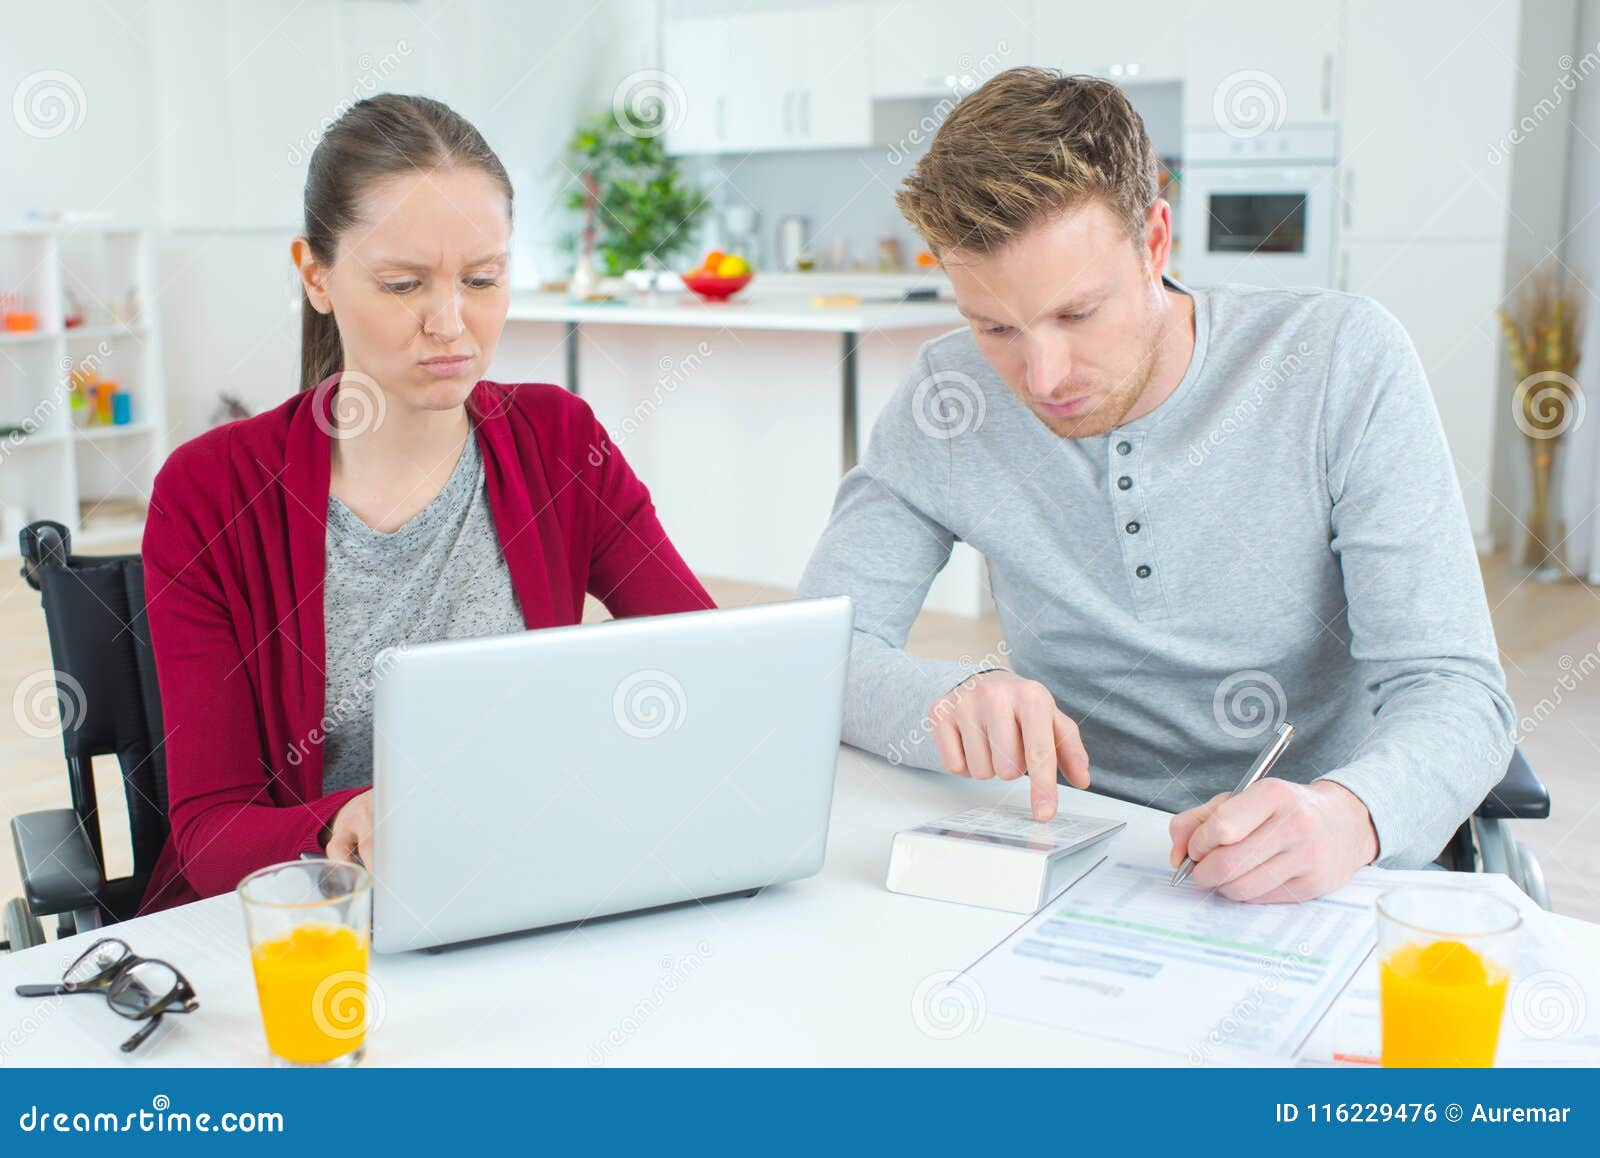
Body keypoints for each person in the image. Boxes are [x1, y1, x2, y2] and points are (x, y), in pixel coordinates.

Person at [797, 68, 1515, 904]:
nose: (1042, 376)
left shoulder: (1338, 360)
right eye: (995, 327)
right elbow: (818, 656)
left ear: (1156, 242)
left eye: (1077, 313)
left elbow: (1456, 693)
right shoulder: (948, 399)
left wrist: (1351, 815)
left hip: (1318, 875)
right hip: (1075, 856)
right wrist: (943, 698)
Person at [138, 95, 713, 913]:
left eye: (482, 279)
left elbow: (705, 666)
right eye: (403, 284)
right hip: (312, 922)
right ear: (315, 275)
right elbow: (209, 835)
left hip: (522, 893)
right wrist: (345, 819)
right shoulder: (209, 491)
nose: (451, 323)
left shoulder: (559, 440)